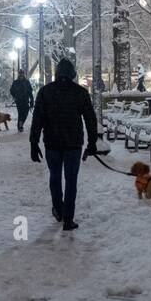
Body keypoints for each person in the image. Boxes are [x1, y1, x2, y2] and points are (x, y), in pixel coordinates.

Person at [29, 58, 98, 231]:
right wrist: (92, 142)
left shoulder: (45, 92)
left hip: (52, 143)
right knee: (71, 180)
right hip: (73, 143)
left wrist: (34, 142)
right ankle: (68, 218)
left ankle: (58, 210)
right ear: (73, 74)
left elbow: (37, 119)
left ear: (57, 73)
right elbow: (90, 119)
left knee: (54, 177)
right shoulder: (80, 93)